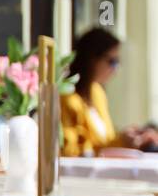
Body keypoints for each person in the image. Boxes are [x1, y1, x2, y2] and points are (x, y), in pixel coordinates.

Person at [61, 28, 158, 156]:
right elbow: (70, 151)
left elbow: (106, 139)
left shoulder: (97, 93)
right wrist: (120, 142)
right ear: (92, 59)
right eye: (112, 62)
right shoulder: (66, 98)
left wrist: (132, 137)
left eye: (117, 63)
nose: (115, 69)